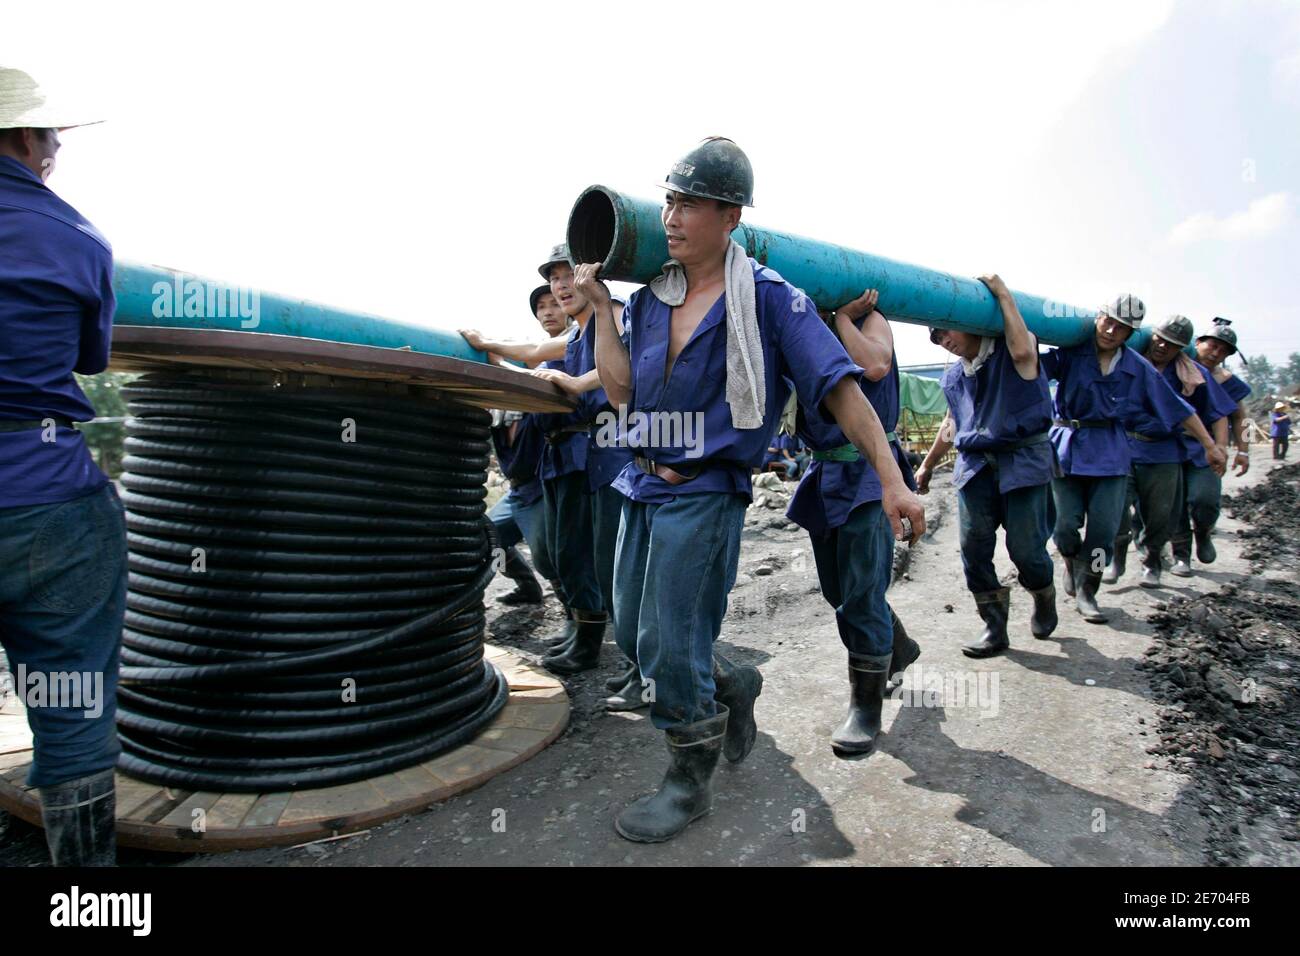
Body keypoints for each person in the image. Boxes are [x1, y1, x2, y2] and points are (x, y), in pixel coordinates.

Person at [578, 137, 926, 842]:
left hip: (706, 491)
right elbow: (620, 390)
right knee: (638, 636)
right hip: (640, 483)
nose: (672, 217)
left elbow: (842, 387)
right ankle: (734, 684)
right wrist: (600, 314)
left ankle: (687, 779)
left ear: (729, 215)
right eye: (669, 200)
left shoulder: (770, 299)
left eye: (690, 203)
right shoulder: (650, 301)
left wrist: (894, 481)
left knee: (672, 642)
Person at [0, 66, 122, 866]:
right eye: (50, 138)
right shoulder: (78, 239)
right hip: (48, 501)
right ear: (23, 138)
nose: (55, 154)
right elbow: (88, 357)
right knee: (72, 701)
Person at [787, 288, 921, 755]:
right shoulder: (797, 323)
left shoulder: (871, 321)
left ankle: (866, 708)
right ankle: (899, 649)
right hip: (825, 471)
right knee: (838, 591)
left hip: (869, 471)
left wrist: (844, 320)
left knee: (862, 594)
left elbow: (875, 365)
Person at [1041, 296, 1225, 622]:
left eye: (1122, 328)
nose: (1111, 331)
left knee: (1102, 532)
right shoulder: (1071, 353)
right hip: (1067, 448)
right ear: (1098, 317)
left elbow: (1178, 408)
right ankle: (1071, 561)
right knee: (1065, 525)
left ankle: (1089, 589)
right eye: (1108, 322)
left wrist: (1210, 445)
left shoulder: (1135, 367)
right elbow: (1026, 365)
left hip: (1111, 452)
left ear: (1131, 334)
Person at [914, 274, 1057, 658]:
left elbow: (1025, 354)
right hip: (975, 465)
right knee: (973, 546)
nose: (945, 341)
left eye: (948, 332)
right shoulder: (955, 375)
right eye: (938, 338)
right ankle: (994, 624)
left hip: (1022, 460)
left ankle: (1043, 594)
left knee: (1026, 549)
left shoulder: (1012, 351)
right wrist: (927, 466)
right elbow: (952, 424)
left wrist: (1003, 293)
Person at [1108, 316, 1231, 587]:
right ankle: (1116, 558)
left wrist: (1216, 446)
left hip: (1163, 450)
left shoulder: (1192, 373)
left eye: (1172, 344)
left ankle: (1153, 561)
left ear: (1182, 348)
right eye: (1160, 339)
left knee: (1160, 515)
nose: (1163, 346)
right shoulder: (1127, 362)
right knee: (1115, 509)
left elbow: (1217, 412)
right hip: (1124, 447)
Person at [484, 285, 571, 604]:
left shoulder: (563, 358)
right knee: (484, 538)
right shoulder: (501, 410)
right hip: (518, 489)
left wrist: (504, 363)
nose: (548, 311)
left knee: (549, 556)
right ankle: (526, 586)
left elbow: (543, 386)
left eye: (554, 305)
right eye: (541, 307)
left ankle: (577, 619)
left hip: (544, 486)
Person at [1167, 319, 1253, 573]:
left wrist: (1243, 450)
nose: (1215, 353)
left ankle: (1203, 532)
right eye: (1212, 346)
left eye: (1222, 351)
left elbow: (1241, 418)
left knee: (1205, 499)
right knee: (1174, 502)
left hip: (1206, 449)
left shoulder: (1227, 382)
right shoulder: (1176, 369)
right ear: (1197, 343)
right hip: (1169, 445)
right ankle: (1181, 555)